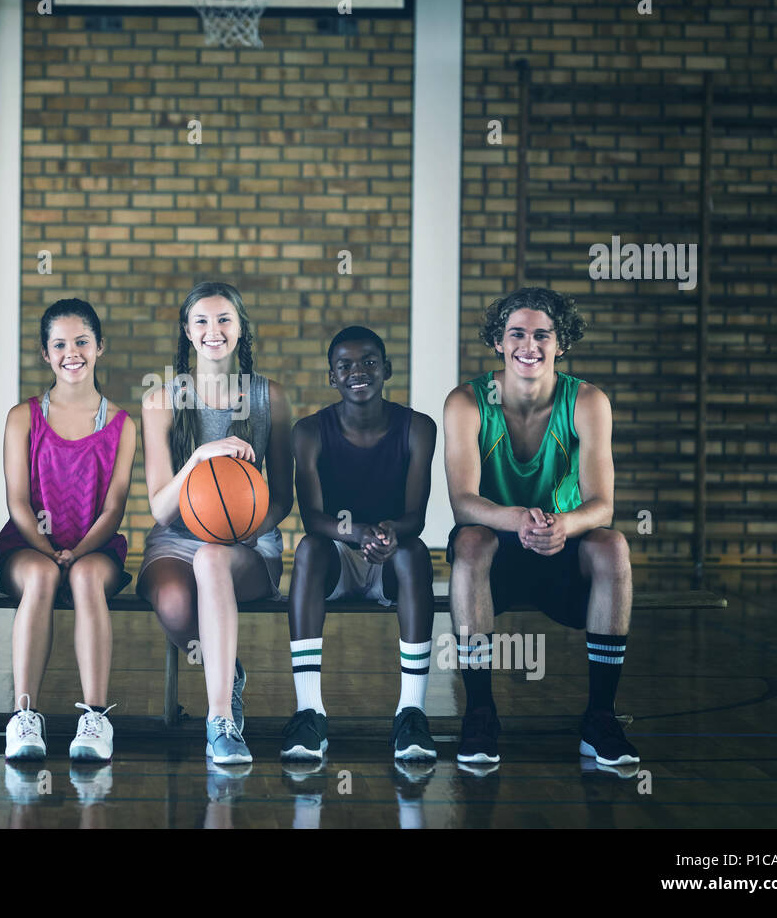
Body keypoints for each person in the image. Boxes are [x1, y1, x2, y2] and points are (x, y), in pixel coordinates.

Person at [442, 288, 638, 767]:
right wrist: (521, 520)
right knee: (468, 542)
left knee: (612, 545)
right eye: (517, 334)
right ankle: (481, 714)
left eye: (542, 335)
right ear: (498, 341)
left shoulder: (588, 401)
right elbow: (463, 503)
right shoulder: (467, 401)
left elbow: (603, 505)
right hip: (497, 552)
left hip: (561, 549)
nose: (529, 345)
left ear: (561, 342)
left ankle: (599, 718)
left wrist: (563, 524)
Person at [137, 281, 293, 765]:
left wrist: (241, 531)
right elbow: (162, 509)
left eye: (224, 319)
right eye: (201, 321)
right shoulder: (161, 399)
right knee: (174, 602)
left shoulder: (270, 397)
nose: (213, 331)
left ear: (241, 328)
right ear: (187, 332)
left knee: (210, 558)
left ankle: (220, 719)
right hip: (175, 536)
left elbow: (284, 498)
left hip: (246, 543)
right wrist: (199, 457)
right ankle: (231, 670)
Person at [284, 326, 437, 762]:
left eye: (369, 361)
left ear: (386, 369)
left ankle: (411, 713)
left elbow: (417, 517)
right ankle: (309, 711)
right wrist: (358, 532)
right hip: (338, 553)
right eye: (345, 365)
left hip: (390, 557)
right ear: (331, 377)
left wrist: (388, 533)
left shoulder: (418, 428)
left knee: (415, 552)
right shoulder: (310, 431)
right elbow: (312, 517)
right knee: (308, 550)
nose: (358, 371)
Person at [0, 298, 136, 762]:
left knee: (84, 577)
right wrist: (49, 551)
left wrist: (75, 554)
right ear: (45, 353)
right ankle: (24, 716)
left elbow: (113, 508)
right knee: (42, 575)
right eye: (59, 344)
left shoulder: (121, 424)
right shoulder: (22, 417)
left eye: (81, 342)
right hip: (28, 546)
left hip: (94, 548)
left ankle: (96, 718)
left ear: (99, 347)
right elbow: (17, 502)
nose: (70, 352)